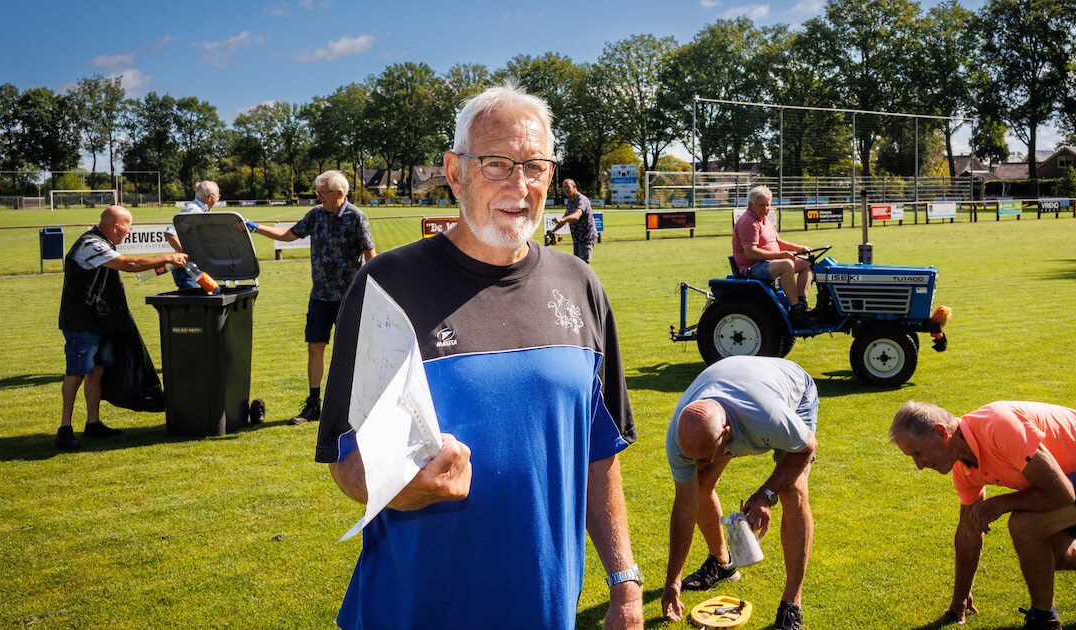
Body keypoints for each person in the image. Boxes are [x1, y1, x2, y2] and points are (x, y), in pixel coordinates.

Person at [314, 83, 642, 629]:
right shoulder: (386, 286)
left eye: (535, 166)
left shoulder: (580, 284)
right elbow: (345, 458)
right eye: (497, 164)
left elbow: (599, 452)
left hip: (545, 613)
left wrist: (625, 583)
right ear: (454, 171)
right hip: (410, 614)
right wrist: (400, 489)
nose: (519, 185)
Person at [889, 401, 1076, 629]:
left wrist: (1000, 504)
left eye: (917, 453)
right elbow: (968, 531)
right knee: (1047, 555)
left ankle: (1044, 619)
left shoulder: (998, 426)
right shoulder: (963, 467)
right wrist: (960, 597)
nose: (919, 465)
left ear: (941, 433)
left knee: (1025, 525)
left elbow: (1061, 493)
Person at [662, 356, 818, 630]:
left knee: (793, 490)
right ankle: (722, 563)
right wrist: (672, 581)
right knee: (699, 485)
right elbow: (684, 508)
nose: (699, 464)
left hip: (793, 391)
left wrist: (766, 494)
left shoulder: (768, 417)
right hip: (739, 386)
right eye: (692, 458)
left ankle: (792, 604)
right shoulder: (679, 437)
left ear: (726, 434)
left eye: (704, 457)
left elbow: (807, 447)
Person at [247, 171, 375, 425]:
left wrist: (372, 290)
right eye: (318, 192)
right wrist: (255, 227)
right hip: (319, 296)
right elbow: (288, 235)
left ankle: (352, 405)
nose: (318, 197)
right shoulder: (315, 215)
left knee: (350, 352)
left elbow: (371, 256)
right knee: (315, 347)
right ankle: (314, 404)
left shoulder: (356, 218)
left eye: (323, 193)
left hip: (349, 298)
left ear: (340, 194)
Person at [57, 206, 188, 450]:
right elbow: (130, 264)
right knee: (76, 374)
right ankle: (65, 428)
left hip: (101, 320)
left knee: (96, 371)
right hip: (82, 322)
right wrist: (169, 257)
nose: (130, 230)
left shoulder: (103, 242)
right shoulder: (90, 245)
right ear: (116, 227)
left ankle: (93, 423)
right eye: (129, 226)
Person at [732, 185, 815, 327]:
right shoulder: (748, 222)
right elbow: (750, 253)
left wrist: (799, 248)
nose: (765, 209)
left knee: (806, 262)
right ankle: (796, 311)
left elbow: (777, 242)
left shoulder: (765, 219)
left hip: (769, 263)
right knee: (787, 264)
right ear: (751, 205)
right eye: (761, 205)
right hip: (752, 267)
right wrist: (781, 255)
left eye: (767, 205)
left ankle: (802, 303)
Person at [165, 180, 220, 289]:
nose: (218, 199)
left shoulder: (200, 210)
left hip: (194, 268)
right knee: (197, 298)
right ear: (210, 197)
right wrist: (188, 256)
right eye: (218, 196)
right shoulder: (194, 210)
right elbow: (170, 233)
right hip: (188, 269)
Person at [550, 178, 597, 263]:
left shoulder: (581, 200)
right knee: (577, 264)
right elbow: (565, 218)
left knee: (583, 264)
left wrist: (562, 219)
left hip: (586, 237)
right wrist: (553, 231)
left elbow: (576, 215)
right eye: (564, 187)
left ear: (574, 186)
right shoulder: (570, 201)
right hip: (577, 238)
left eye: (568, 187)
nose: (565, 189)